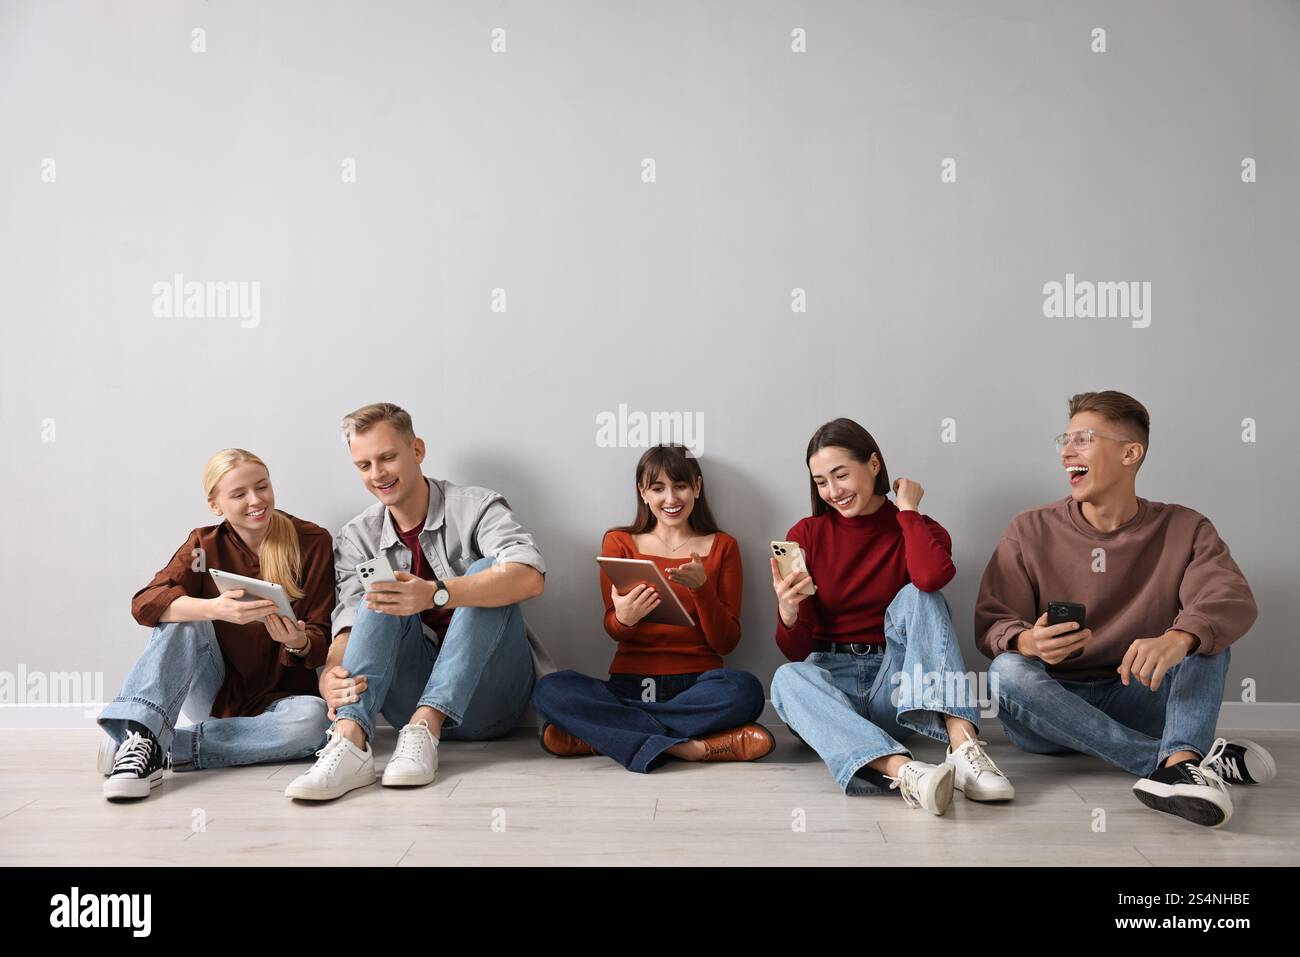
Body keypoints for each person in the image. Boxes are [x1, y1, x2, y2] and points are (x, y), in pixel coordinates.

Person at [975, 390, 1273, 828]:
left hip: (1138, 693)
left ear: (1130, 453)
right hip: (1050, 710)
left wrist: (1178, 638)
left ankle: (1181, 759)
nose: (1066, 452)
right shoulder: (1029, 528)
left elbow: (1229, 598)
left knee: (1207, 638)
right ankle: (1179, 761)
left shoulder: (1185, 527)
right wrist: (1027, 640)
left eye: (1083, 440)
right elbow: (992, 622)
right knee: (1006, 671)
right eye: (1065, 439)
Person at [285, 402, 553, 800]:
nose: (377, 474)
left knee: (487, 570)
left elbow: (529, 577)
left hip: (491, 697)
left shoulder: (477, 506)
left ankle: (428, 723)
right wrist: (332, 673)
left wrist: (435, 592)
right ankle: (350, 741)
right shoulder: (358, 536)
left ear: (417, 451)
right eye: (364, 465)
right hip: (404, 699)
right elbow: (346, 621)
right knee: (381, 590)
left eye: (387, 457)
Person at [770, 418, 1014, 815]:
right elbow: (795, 654)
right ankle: (906, 772)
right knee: (786, 679)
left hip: (897, 685)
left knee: (921, 595)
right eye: (821, 482)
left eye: (841, 475)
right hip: (833, 688)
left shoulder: (918, 528)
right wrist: (788, 611)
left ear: (873, 464)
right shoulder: (807, 534)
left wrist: (908, 511)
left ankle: (963, 747)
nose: (833, 492)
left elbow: (931, 577)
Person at [98, 449, 335, 800]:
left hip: (284, 696)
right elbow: (145, 602)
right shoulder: (203, 545)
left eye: (262, 487)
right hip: (215, 689)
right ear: (216, 504)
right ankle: (140, 730)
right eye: (239, 494)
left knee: (314, 723)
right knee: (184, 615)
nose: (256, 501)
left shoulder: (312, 541)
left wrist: (298, 641)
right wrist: (213, 609)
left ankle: (150, 742)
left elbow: (322, 637)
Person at [532, 444, 772, 772]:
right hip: (629, 684)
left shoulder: (722, 546)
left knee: (747, 691)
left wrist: (702, 589)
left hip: (699, 687)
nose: (670, 499)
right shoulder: (619, 542)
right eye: (658, 488)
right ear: (643, 493)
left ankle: (602, 737)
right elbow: (614, 628)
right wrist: (624, 620)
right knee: (549, 690)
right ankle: (688, 747)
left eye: (681, 486)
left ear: (697, 487)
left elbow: (726, 642)